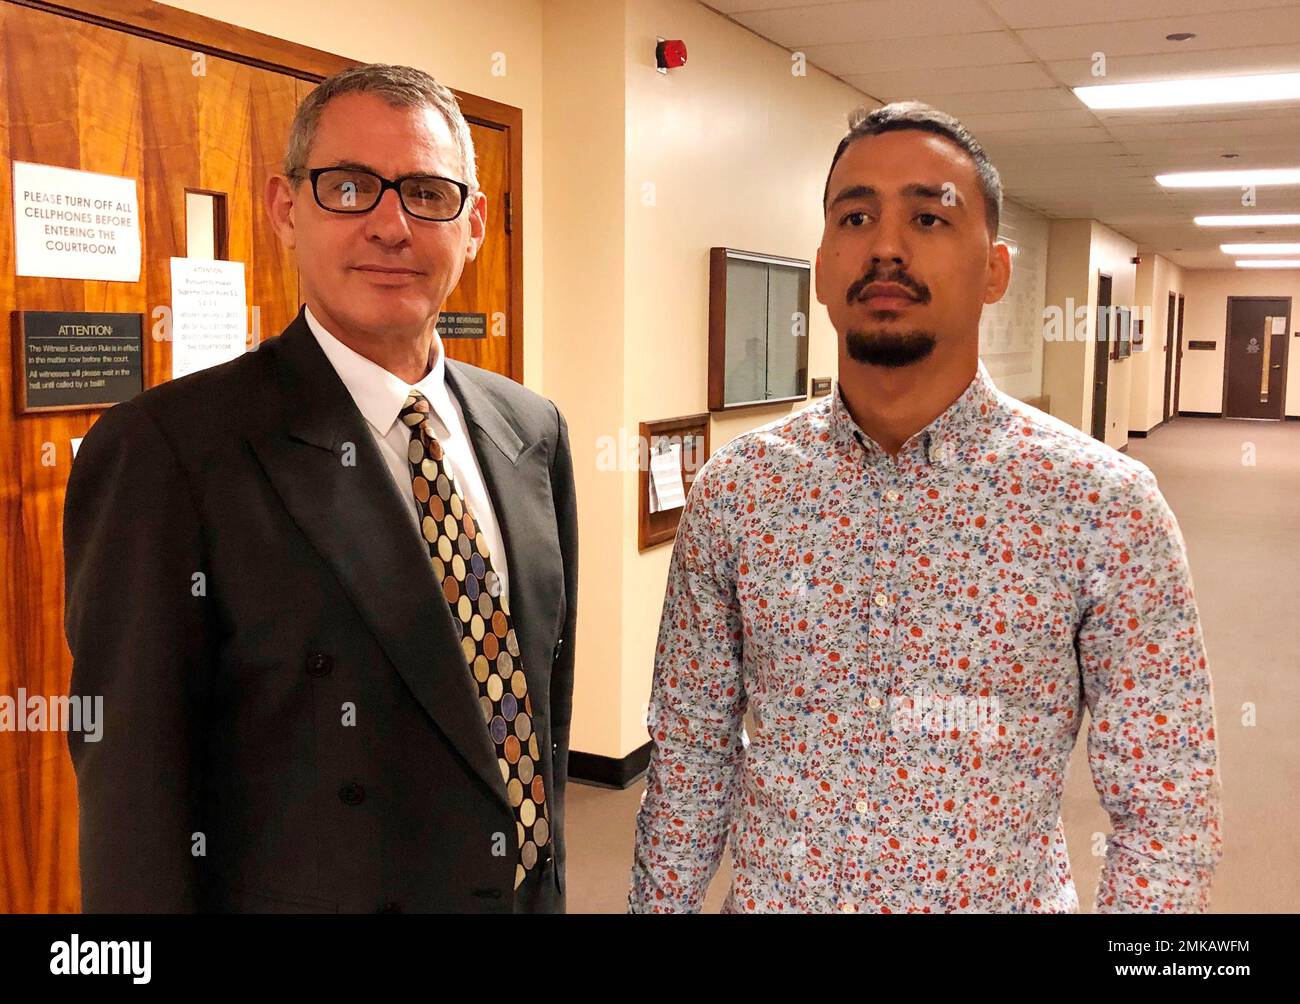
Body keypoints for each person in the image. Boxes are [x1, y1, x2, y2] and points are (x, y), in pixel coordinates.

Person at [628, 101, 1222, 914]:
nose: (885, 246)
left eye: (929, 217)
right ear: (825, 263)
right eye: (857, 215)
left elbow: (1166, 809)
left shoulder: (1101, 505)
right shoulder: (739, 491)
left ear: (995, 269)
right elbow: (692, 757)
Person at [63, 63, 577, 913]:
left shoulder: (533, 430)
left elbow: (536, 721)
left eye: (426, 192)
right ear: (285, 209)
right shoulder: (171, 451)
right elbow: (133, 794)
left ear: (474, 223)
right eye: (348, 187)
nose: (391, 225)